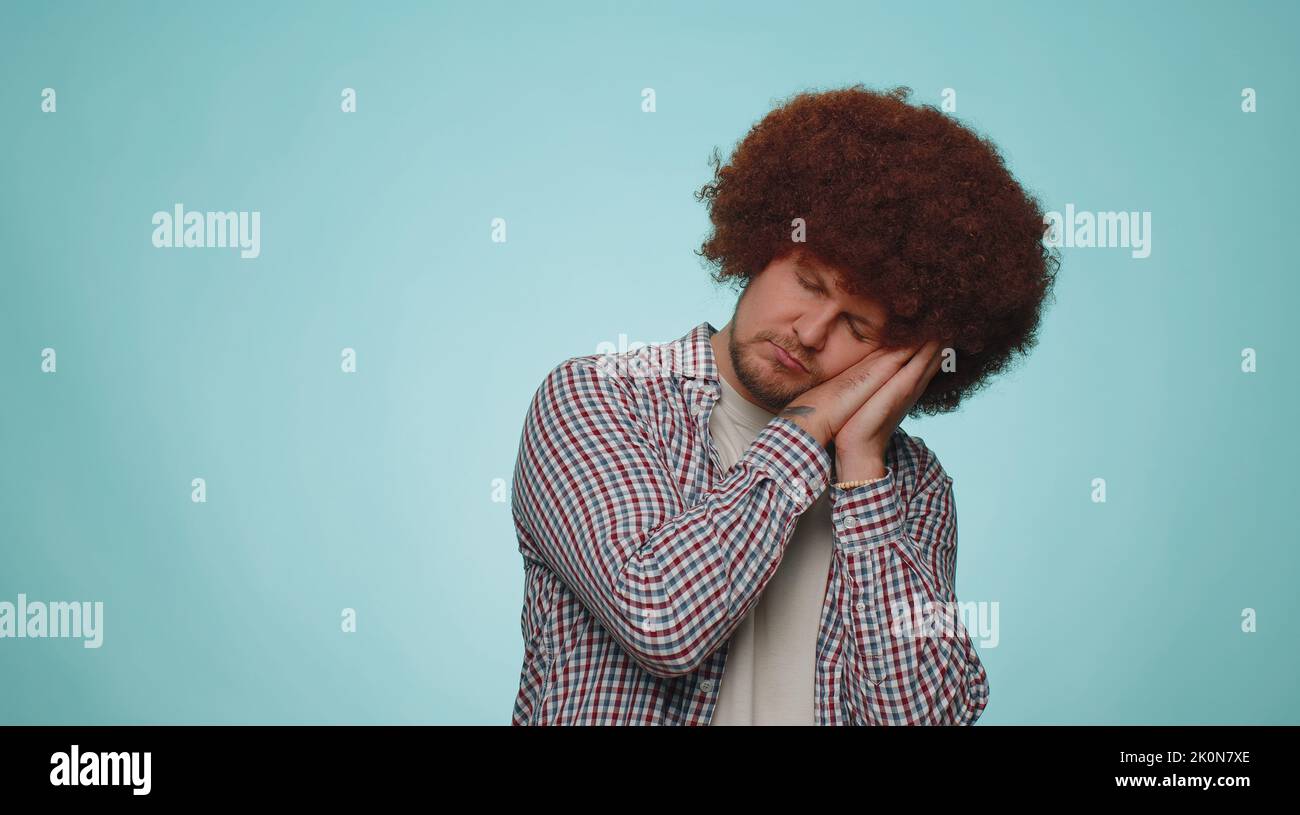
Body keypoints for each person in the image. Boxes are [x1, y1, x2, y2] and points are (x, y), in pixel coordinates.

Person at [508, 84, 1059, 725]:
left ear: (905, 355)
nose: (810, 331)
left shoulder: (914, 487)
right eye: (807, 282)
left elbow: (925, 720)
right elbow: (660, 619)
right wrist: (811, 426)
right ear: (761, 242)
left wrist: (860, 467)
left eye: (858, 326)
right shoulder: (597, 397)